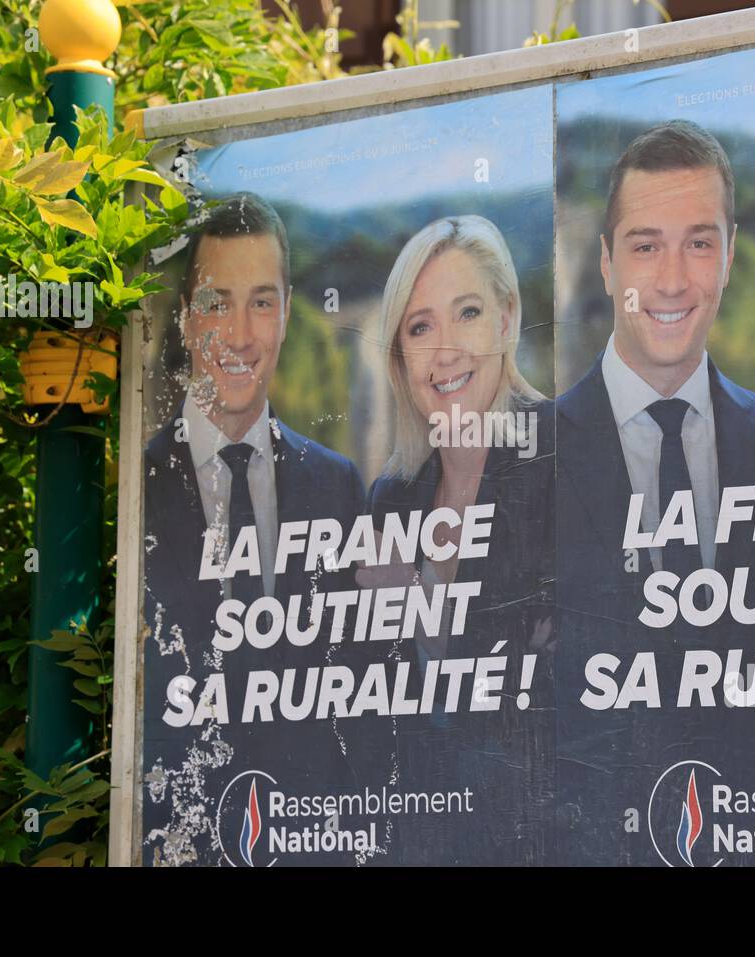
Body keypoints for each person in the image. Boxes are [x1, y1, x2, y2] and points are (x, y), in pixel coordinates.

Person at [554, 120, 755, 865]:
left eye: (699, 242)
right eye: (645, 246)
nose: (673, 279)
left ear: (731, 256)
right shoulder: (530, 462)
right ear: (606, 264)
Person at [141, 192, 371, 866]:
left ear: (287, 310)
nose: (240, 334)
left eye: (262, 302)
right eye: (217, 302)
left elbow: (357, 696)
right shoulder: (140, 486)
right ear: (185, 318)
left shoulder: (337, 486)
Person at [362, 215, 555, 865]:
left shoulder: (571, 456)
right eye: (419, 327)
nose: (444, 351)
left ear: (506, 319)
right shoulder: (390, 499)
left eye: (466, 312)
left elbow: (567, 684)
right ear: (399, 355)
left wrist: (419, 604)